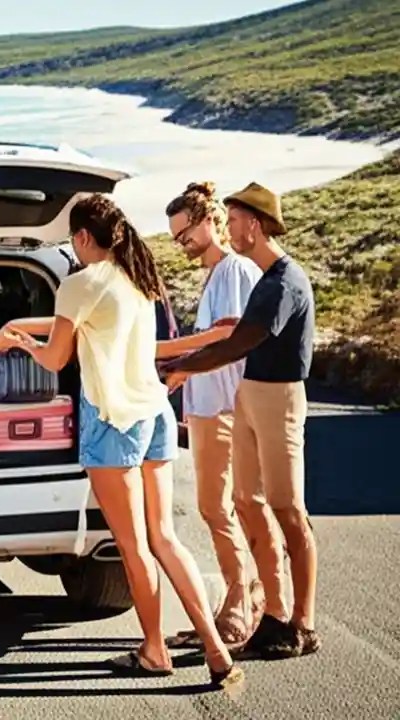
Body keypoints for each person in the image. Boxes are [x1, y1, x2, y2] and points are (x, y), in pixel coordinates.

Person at [0, 194, 243, 689]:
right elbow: (143, 347)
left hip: (113, 420)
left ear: (83, 237)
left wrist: (21, 343)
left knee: (133, 545)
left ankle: (154, 651)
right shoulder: (136, 278)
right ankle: (216, 649)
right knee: (164, 538)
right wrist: (204, 338)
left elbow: (56, 359)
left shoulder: (79, 284)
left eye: (72, 240)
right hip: (154, 414)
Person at [161, 182, 320, 659]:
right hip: (248, 396)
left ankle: (297, 621)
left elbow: (235, 340)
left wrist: (177, 365)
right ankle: (272, 612)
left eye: (232, 221)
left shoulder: (280, 280)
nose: (229, 229)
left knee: (286, 509)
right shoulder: (262, 277)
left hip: (271, 398)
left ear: (253, 223)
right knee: (248, 502)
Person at [155, 182, 265, 649]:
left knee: (221, 507)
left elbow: (230, 333)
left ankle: (241, 603)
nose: (182, 244)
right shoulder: (215, 275)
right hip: (209, 408)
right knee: (219, 507)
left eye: (185, 235)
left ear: (208, 222)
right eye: (176, 238)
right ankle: (243, 596)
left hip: (226, 407)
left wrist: (176, 362)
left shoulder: (234, 269)